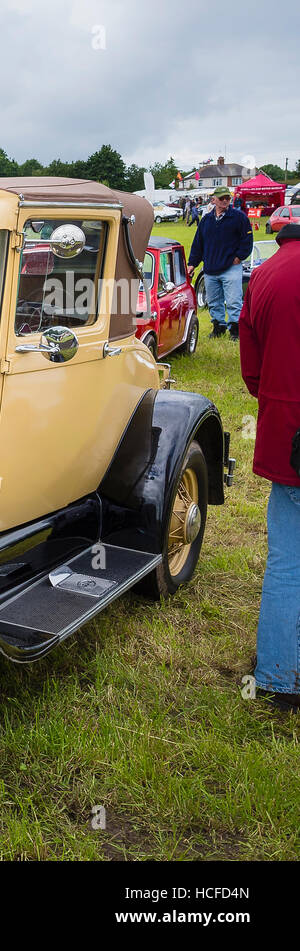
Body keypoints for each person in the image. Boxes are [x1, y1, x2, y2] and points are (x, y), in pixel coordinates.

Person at [239, 221, 300, 712]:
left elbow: (252, 370)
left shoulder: (265, 275)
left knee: (286, 562)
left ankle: (279, 676)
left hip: (287, 434)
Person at [189, 186, 253, 339]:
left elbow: (247, 240)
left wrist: (238, 258)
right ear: (213, 200)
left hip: (231, 268)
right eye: (222, 198)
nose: (225, 201)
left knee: (233, 301)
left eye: (227, 198)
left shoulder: (239, 217)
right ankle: (218, 327)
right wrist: (192, 264)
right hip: (210, 269)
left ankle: (235, 331)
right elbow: (198, 243)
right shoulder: (206, 220)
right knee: (213, 301)